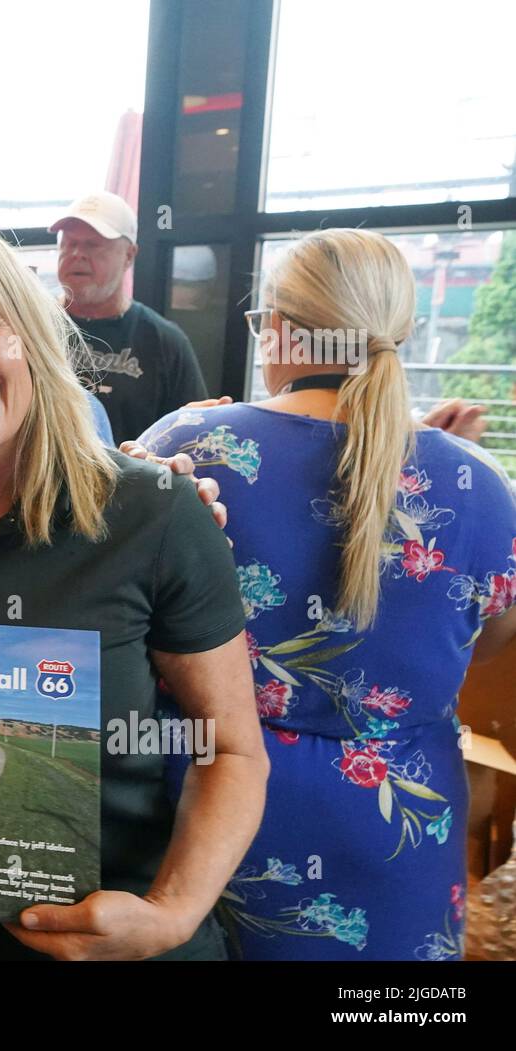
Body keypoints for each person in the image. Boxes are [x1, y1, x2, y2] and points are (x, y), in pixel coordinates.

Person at [0, 218, 270, 961]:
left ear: (28, 333)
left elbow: (229, 748)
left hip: (121, 943)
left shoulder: (154, 513)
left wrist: (169, 915)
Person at [137, 228, 516, 960]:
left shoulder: (187, 443)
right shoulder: (477, 481)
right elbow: (491, 639)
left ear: (280, 326)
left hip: (209, 815)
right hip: (401, 823)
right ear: (397, 330)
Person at [52, 191, 207, 443]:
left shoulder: (164, 342)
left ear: (129, 255)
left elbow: (193, 436)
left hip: (130, 480)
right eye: (69, 243)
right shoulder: (29, 327)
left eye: (92, 245)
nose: (77, 254)